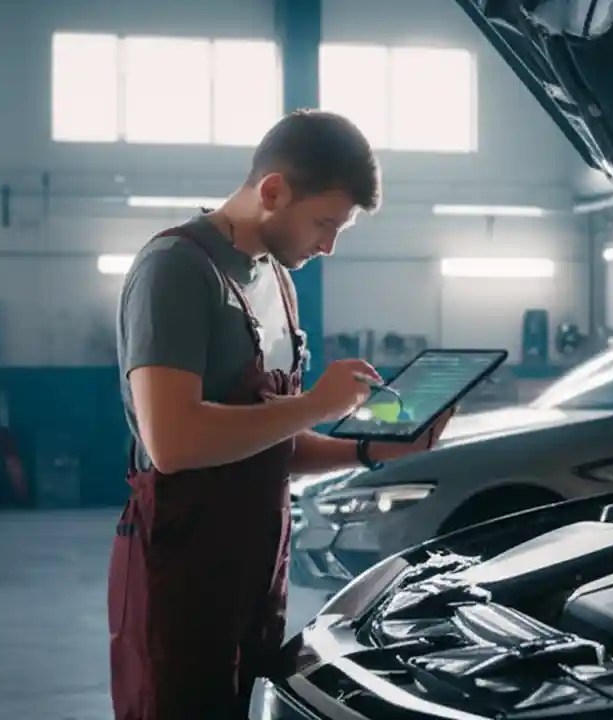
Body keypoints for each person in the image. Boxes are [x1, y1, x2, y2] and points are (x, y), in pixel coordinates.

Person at [107, 109, 453, 720]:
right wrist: (318, 403)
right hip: (181, 575)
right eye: (324, 223)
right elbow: (174, 441)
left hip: (256, 570)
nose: (328, 245)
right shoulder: (177, 268)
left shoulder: (277, 283)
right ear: (272, 191)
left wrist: (371, 449)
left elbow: (270, 441)